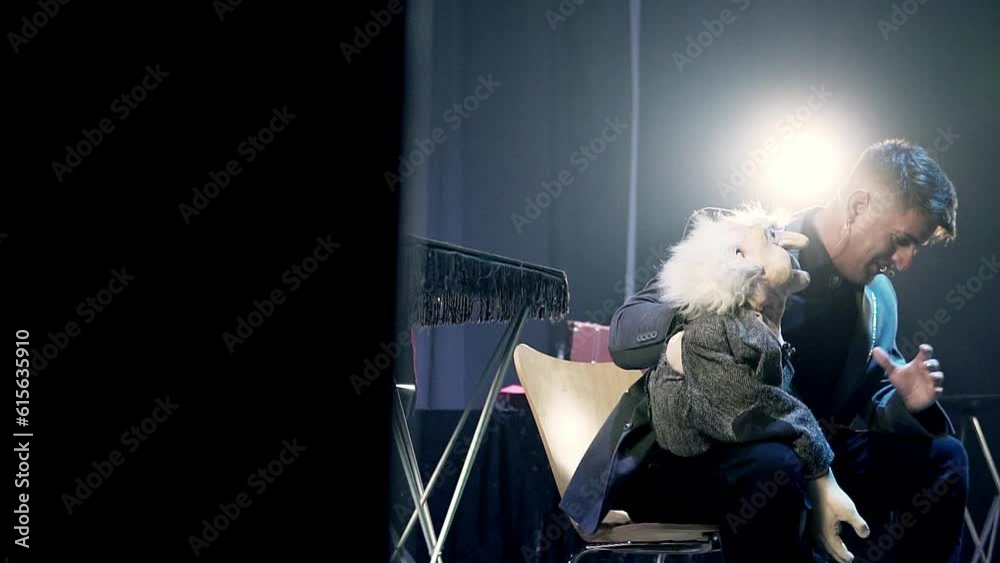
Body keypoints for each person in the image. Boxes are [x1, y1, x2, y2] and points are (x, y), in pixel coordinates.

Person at [559, 139, 969, 563]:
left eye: (915, 246)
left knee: (943, 457)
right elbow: (625, 333)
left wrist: (905, 403)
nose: (905, 261)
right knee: (775, 466)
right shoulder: (748, 247)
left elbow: (868, 395)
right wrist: (708, 312)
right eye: (901, 240)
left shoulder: (879, 296)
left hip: (812, 454)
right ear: (858, 206)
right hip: (709, 452)